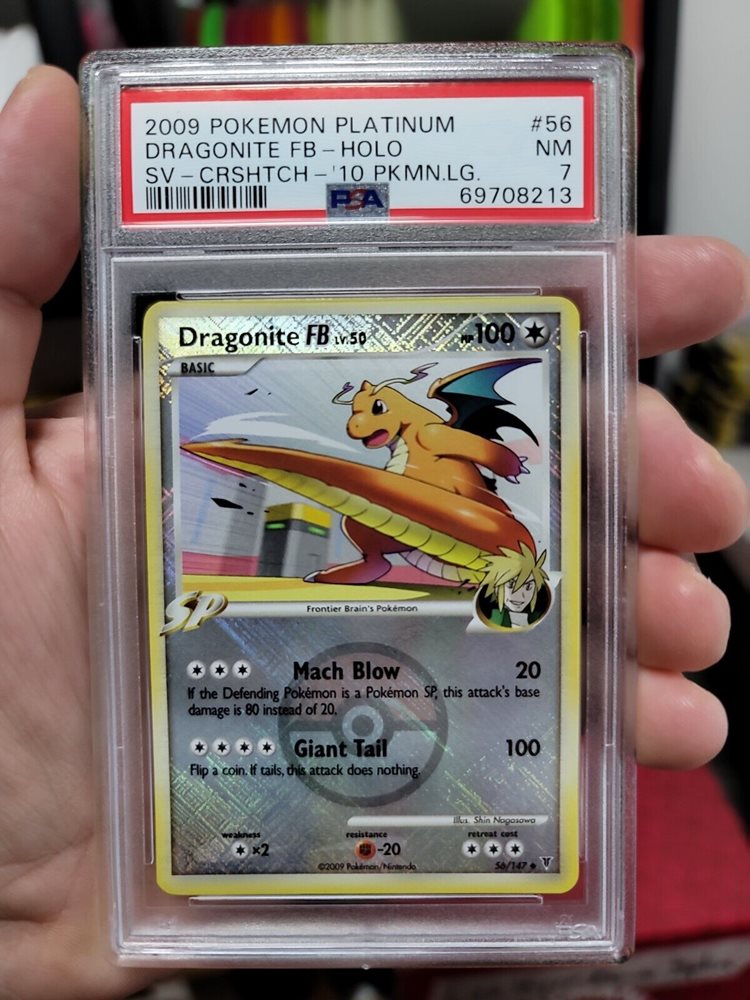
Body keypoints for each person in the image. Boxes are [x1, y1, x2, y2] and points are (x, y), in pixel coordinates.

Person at [0, 66, 747, 1000]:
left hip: (475, 533)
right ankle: (378, 562)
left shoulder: (437, 427)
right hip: (391, 578)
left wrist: (507, 467)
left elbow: (495, 455)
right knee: (358, 518)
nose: (367, 425)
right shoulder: (366, 445)